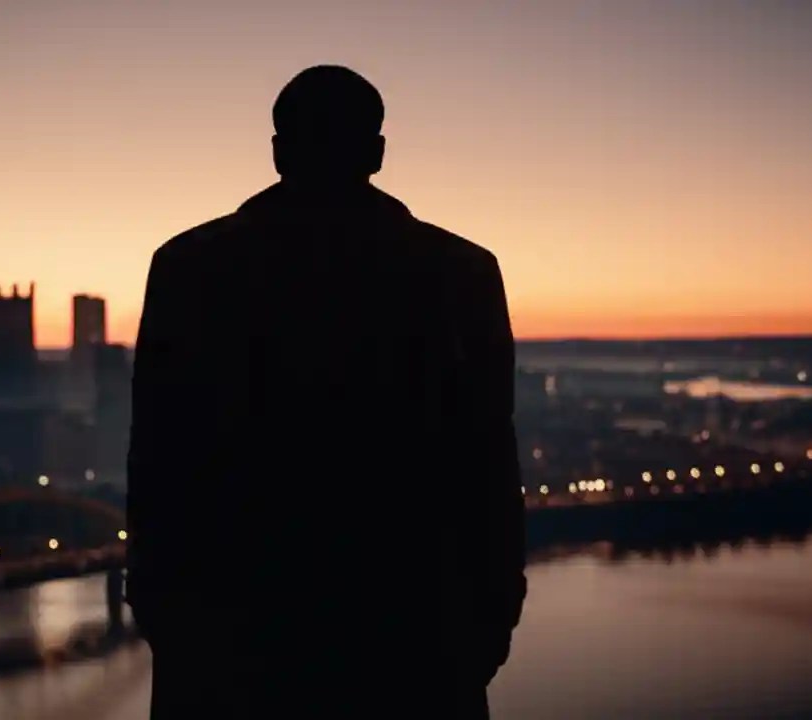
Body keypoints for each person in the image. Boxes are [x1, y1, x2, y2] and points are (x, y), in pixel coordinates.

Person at [126, 65, 526, 719]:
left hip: (227, 629)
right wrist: (493, 609)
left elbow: (157, 456)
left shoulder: (189, 267)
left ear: (279, 150)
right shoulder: (461, 272)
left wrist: (161, 605)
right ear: (377, 152)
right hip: (415, 628)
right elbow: (487, 456)